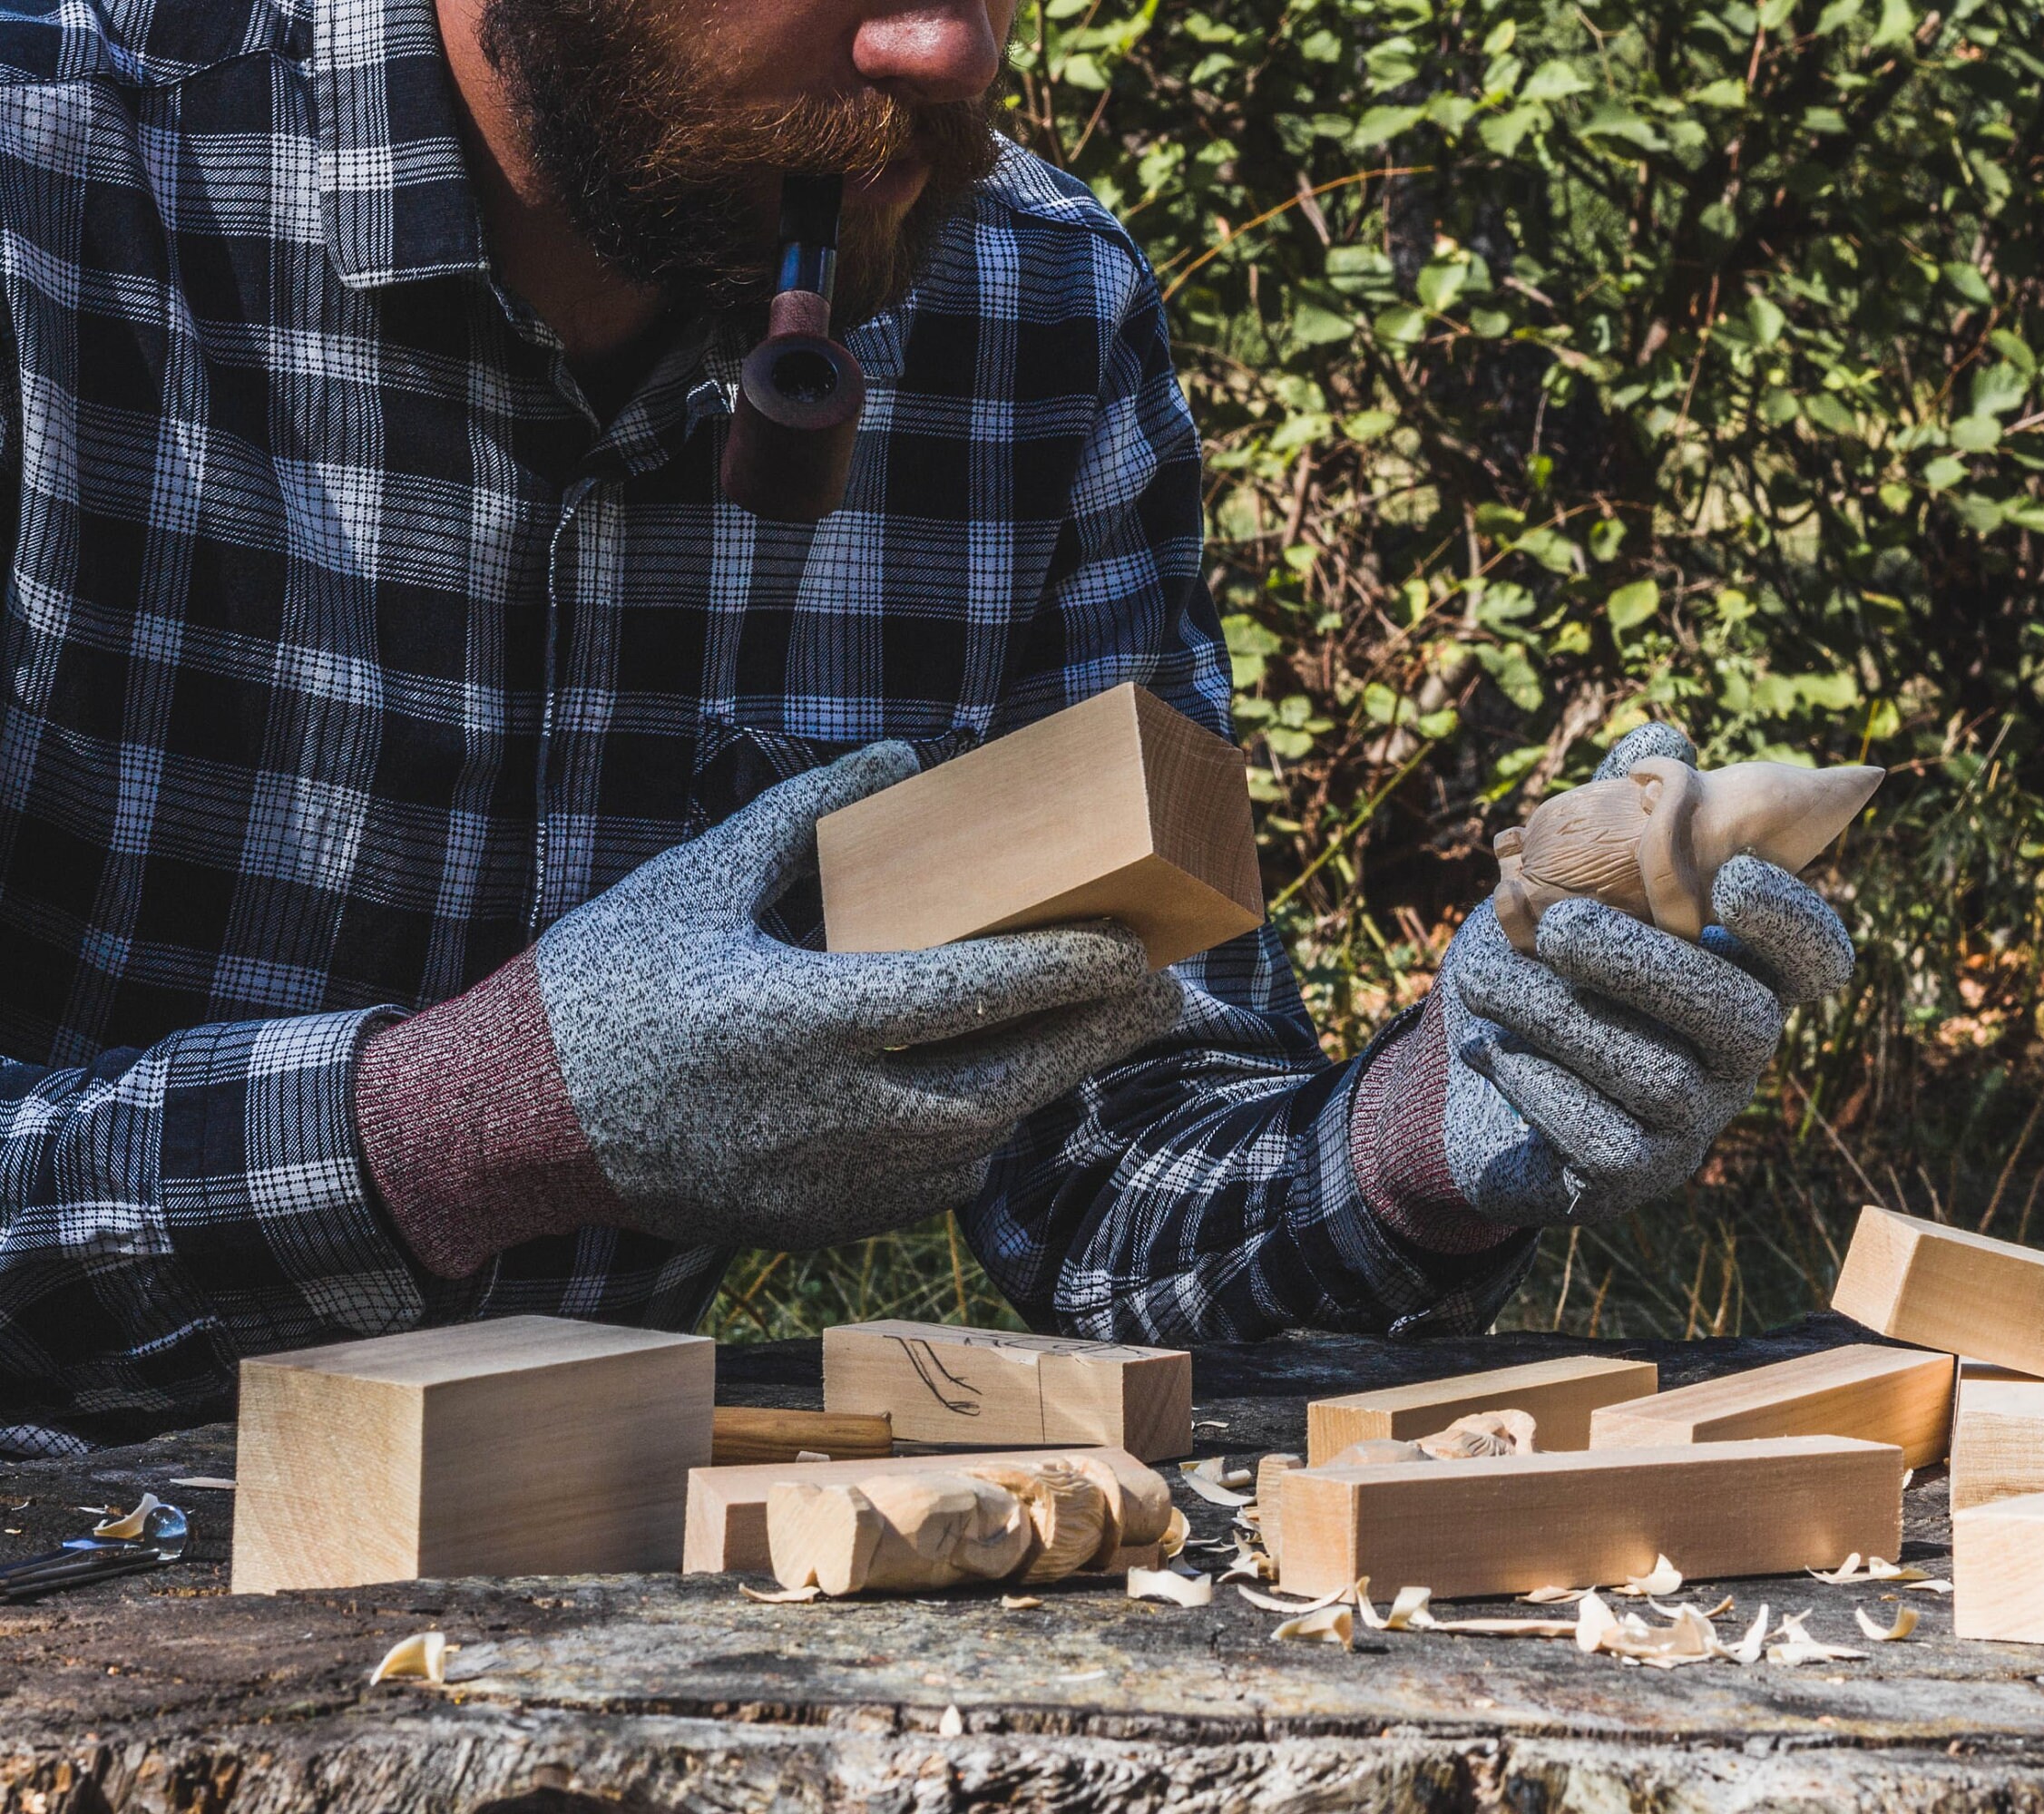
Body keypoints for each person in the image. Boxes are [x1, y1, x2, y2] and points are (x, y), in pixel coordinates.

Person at [0, 0, 1855, 1457]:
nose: (951, 47)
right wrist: (462, 1122)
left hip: (594, 1607)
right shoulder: (52, 190)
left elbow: (1114, 1165)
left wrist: (1428, 1140)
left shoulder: (1028, 311)